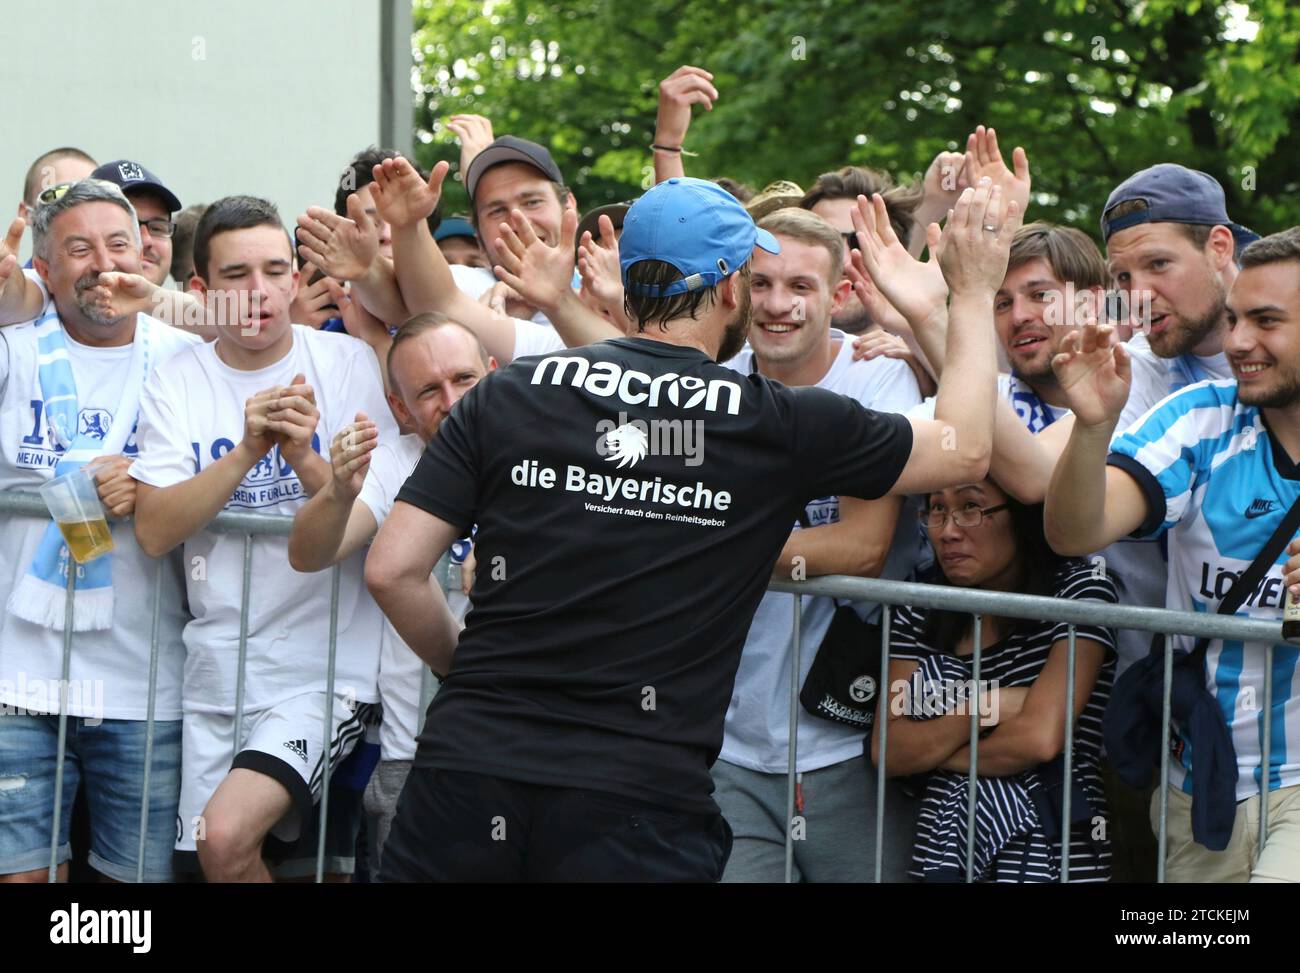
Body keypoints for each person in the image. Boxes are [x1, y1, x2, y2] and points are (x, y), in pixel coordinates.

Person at [365, 172, 1018, 882]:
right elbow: (967, 446)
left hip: (464, 770)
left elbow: (392, 569)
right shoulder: (768, 419)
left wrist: (464, 671)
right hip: (635, 799)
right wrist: (975, 291)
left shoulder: (508, 392)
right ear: (731, 288)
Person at [128, 195, 396, 882]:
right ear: (201, 292)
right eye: (236, 275)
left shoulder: (348, 363)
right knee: (206, 863)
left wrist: (307, 460)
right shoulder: (176, 378)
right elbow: (156, 528)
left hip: (320, 675)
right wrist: (247, 449)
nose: (258, 292)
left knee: (224, 839)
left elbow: (371, 511)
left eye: (276, 270)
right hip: (214, 673)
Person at [1046, 227, 1300, 882]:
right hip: (1199, 783)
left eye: (1266, 322)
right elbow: (1077, 530)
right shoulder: (1201, 418)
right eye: (1237, 317)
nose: (1238, 341)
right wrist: (1093, 427)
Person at [711, 206, 926, 882]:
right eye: (762, 282)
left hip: (847, 742)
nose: (777, 304)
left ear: (838, 295)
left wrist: (711, 540)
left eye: (800, 286)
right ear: (737, 289)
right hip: (728, 745)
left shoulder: (875, 378)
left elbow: (862, 546)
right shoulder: (712, 389)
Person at [0, 179, 196, 883]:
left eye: (119, 244)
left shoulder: (188, 353)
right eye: (77, 249)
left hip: (144, 685)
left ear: (146, 256)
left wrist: (152, 481)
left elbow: (261, 331)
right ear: (43, 272)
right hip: (17, 682)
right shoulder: (14, 351)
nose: (102, 263)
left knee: (131, 892)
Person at [287, 314, 494, 868]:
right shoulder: (391, 465)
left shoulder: (543, 462)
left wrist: (506, 536)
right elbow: (311, 554)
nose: (450, 400)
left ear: (495, 375)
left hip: (515, 752)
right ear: (399, 408)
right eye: (428, 390)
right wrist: (336, 492)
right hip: (416, 755)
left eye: (465, 379)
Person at [875, 477, 1116, 882]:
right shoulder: (920, 604)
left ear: (1021, 515)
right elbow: (889, 751)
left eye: (972, 508)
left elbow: (1040, 739)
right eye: (937, 510)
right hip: (947, 842)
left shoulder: (1079, 592)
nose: (949, 531)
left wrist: (930, 757)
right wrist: (988, 707)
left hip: (1054, 840)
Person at [89, 160, 183, 288]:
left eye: (157, 228)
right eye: (130, 227)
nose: (146, 240)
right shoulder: (63, 307)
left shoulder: (185, 307)